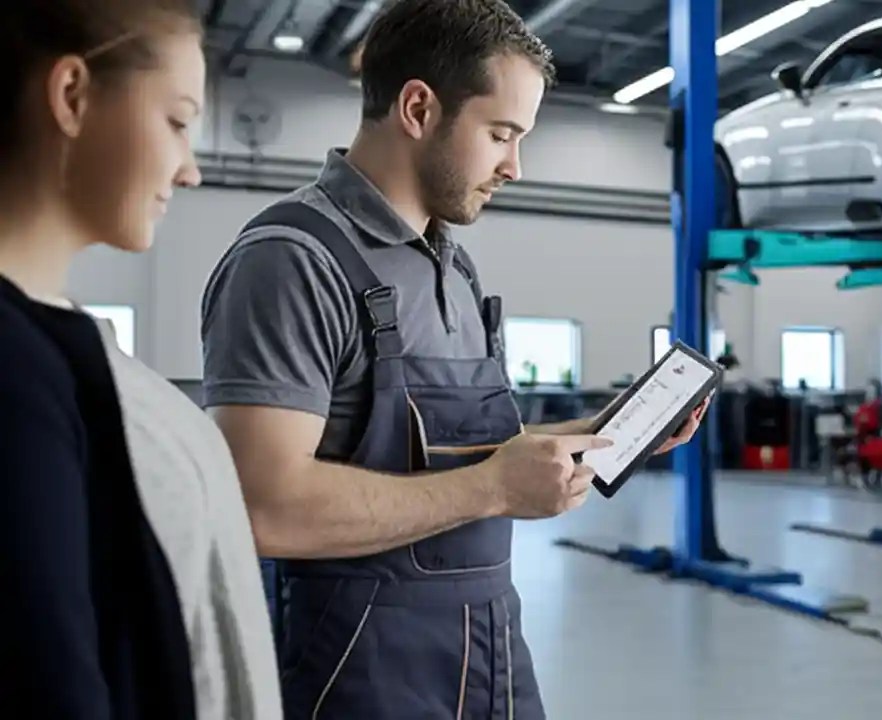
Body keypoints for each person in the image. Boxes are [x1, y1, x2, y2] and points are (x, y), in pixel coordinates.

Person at [200, 0, 708, 717]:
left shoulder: (455, 268)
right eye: (501, 134)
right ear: (417, 107)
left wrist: (603, 431)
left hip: (492, 655)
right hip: (360, 673)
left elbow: (474, 457)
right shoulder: (292, 261)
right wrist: (495, 491)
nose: (516, 166)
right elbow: (262, 508)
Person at [0, 2, 282, 719]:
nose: (188, 171)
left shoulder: (51, 348)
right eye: (178, 121)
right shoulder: (17, 373)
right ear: (72, 96)